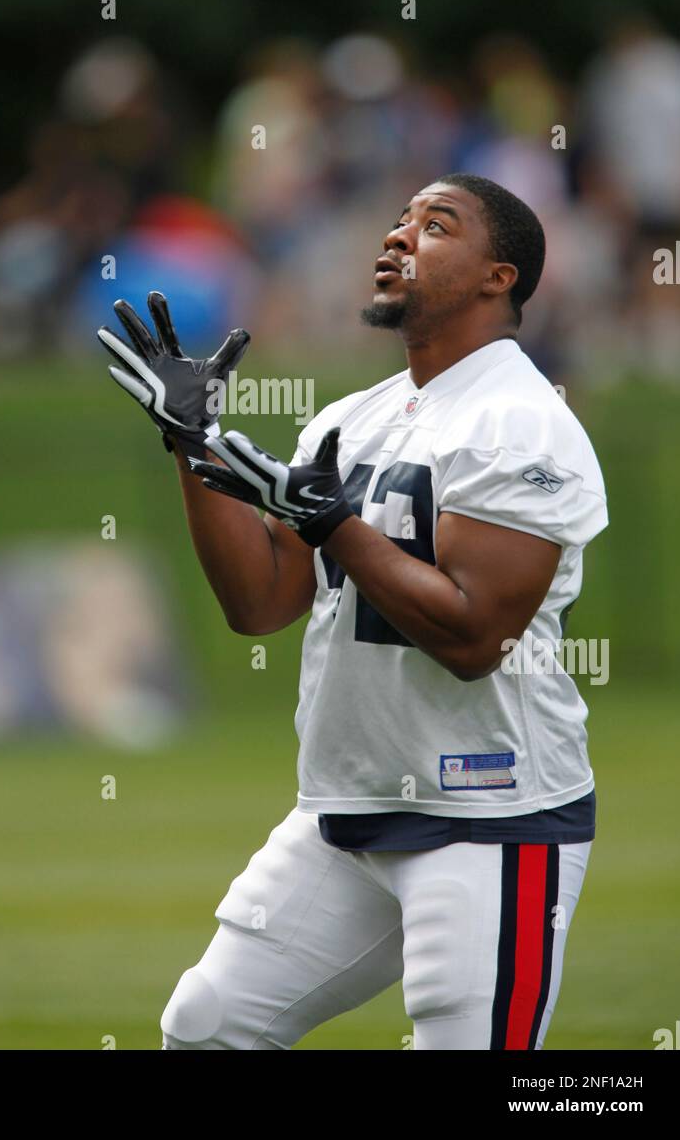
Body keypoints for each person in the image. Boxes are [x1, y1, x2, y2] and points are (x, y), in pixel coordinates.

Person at [96, 172, 608, 1051]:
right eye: (399, 220)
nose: (399, 237)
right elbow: (259, 603)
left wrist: (331, 524)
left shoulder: (522, 421)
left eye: (436, 225)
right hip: (346, 809)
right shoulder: (354, 419)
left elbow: (474, 637)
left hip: (487, 819)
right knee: (206, 1030)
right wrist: (191, 444)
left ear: (501, 275)